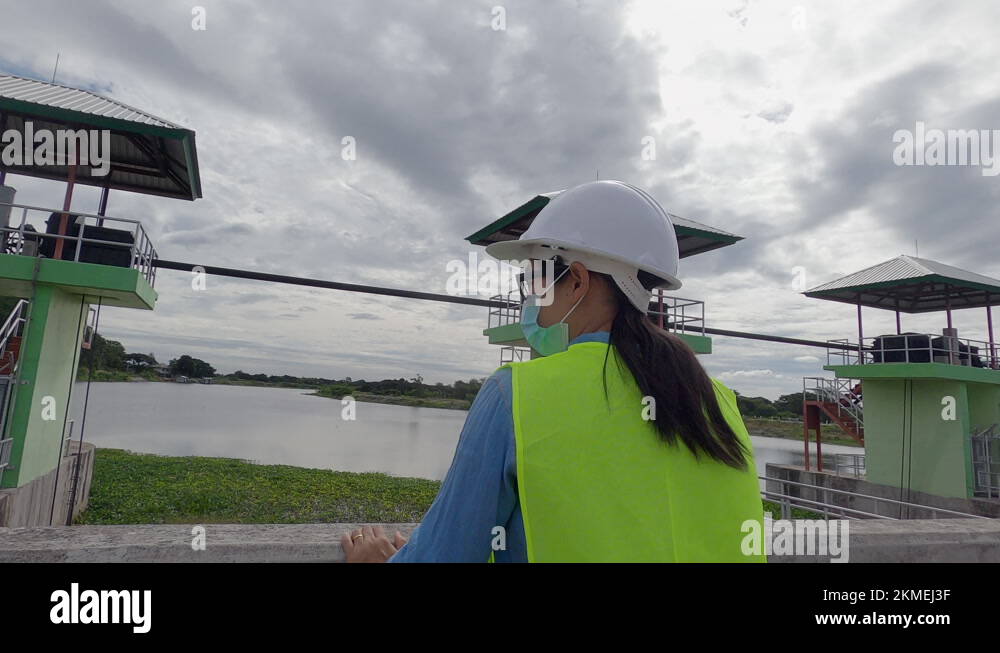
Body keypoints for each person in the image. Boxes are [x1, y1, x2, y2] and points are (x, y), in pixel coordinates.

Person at [342, 180, 766, 562]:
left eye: (533, 281)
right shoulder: (718, 400)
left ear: (577, 282)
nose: (528, 298)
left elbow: (447, 554)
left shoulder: (514, 395)